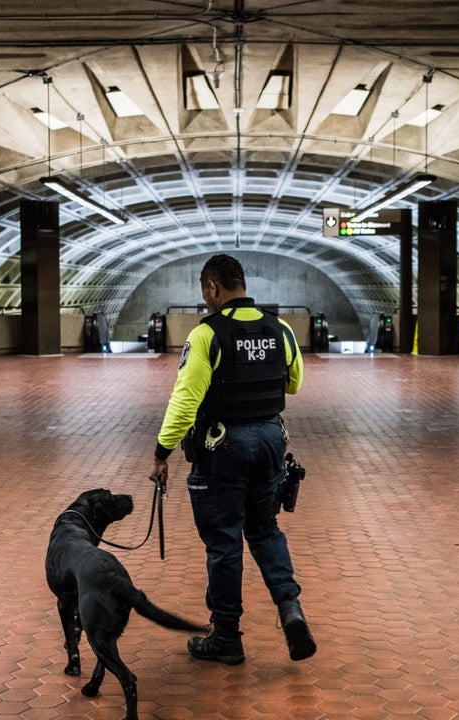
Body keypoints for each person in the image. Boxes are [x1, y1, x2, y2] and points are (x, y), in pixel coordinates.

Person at [148, 254, 316, 665]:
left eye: (204, 291)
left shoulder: (207, 334)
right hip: (270, 441)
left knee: (224, 542)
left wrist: (162, 452)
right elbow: (294, 383)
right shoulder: (280, 329)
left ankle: (226, 636)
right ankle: (290, 609)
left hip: (223, 446)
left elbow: (185, 403)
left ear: (212, 288)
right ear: (243, 283)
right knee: (265, 530)